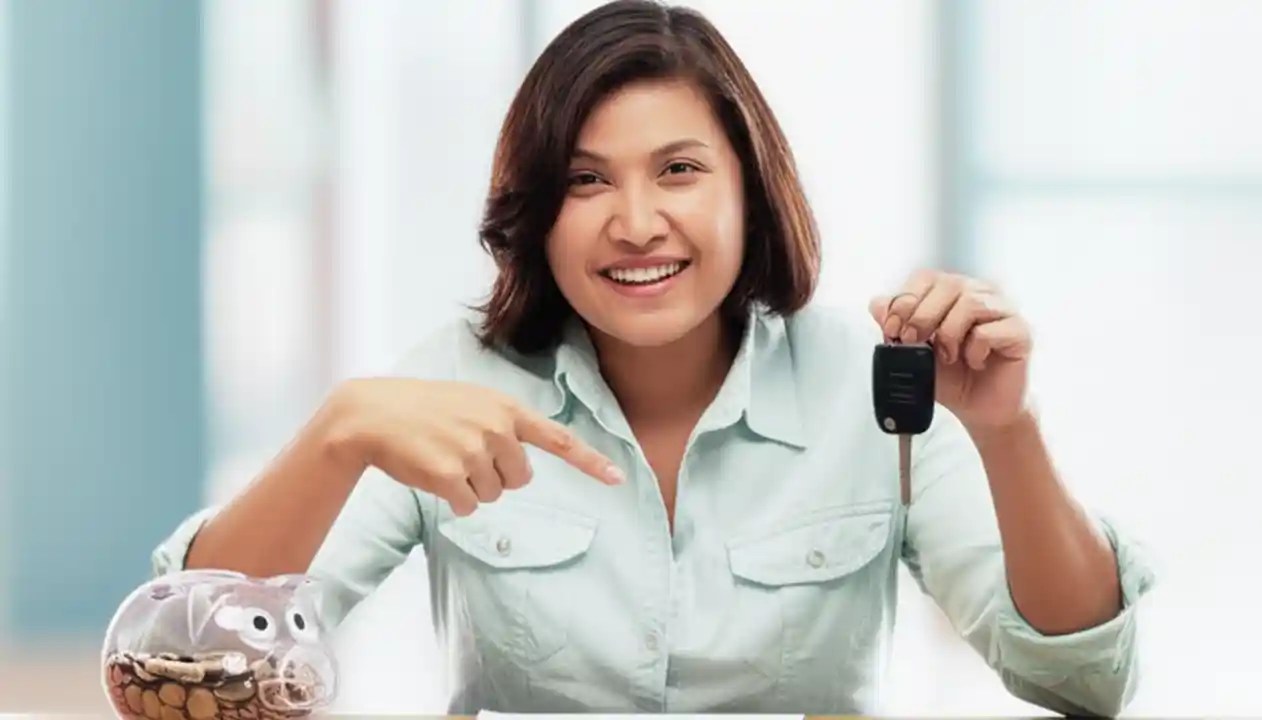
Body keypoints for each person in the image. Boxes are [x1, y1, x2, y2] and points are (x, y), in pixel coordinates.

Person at [152, 1, 1154, 715]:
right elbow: (181, 670)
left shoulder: (877, 387)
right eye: (585, 181)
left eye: (677, 170)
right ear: (536, 218)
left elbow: (1079, 681)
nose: (636, 224)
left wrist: (1004, 430)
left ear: (748, 195)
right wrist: (335, 437)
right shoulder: (451, 383)